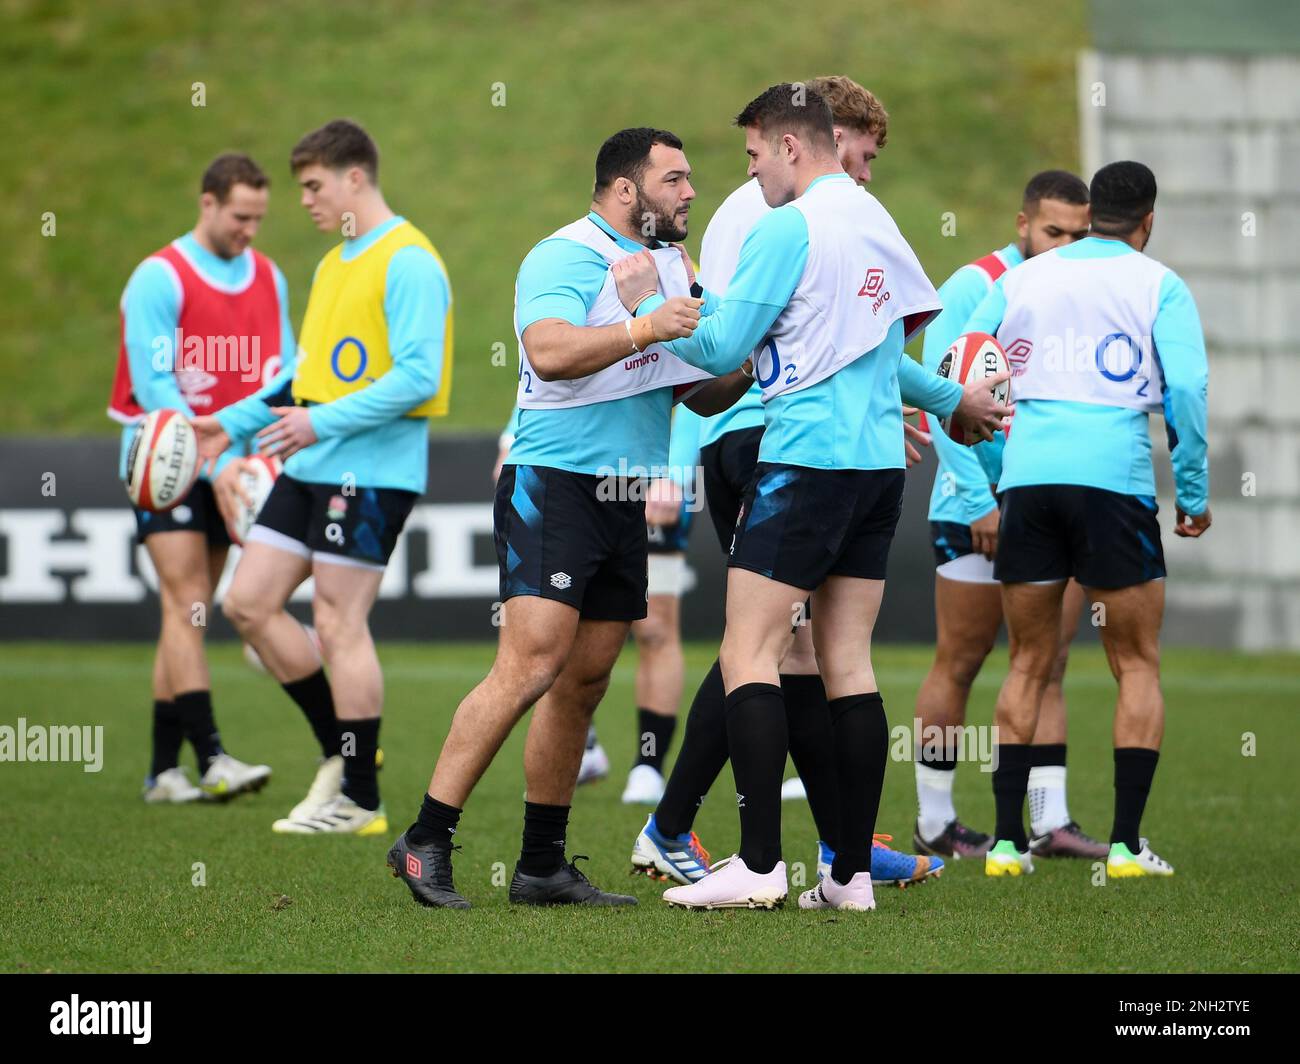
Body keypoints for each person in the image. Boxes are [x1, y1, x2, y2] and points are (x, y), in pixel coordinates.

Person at [617, 84, 1008, 911]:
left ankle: (758, 866)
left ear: (790, 145)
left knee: (749, 652)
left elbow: (721, 348)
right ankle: (848, 878)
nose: (750, 169)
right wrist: (954, 401)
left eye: (754, 152)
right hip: (876, 468)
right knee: (847, 662)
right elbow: (880, 354)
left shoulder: (785, 226)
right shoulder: (877, 222)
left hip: (803, 462)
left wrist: (644, 305)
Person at [386, 127, 749, 909]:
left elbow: (693, 386)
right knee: (531, 664)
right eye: (676, 179)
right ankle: (425, 839)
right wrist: (643, 324)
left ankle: (542, 866)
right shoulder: (563, 254)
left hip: (624, 492)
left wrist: (747, 367)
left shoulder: (672, 268)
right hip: (555, 482)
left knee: (583, 682)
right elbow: (549, 351)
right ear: (628, 189)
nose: (691, 193)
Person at [193, 119, 454, 835]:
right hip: (311, 464)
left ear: (354, 179)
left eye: (313, 186)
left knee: (340, 622)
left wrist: (322, 421)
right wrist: (231, 423)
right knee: (248, 603)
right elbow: (301, 377)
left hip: (370, 472)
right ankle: (339, 753)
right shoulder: (336, 261)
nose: (303, 201)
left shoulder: (410, 260)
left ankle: (361, 799)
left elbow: (419, 376)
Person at [968, 161, 1210, 879]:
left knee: (1027, 662)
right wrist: (1192, 493)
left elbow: (968, 368)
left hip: (1032, 482)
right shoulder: (1159, 282)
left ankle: (1008, 845)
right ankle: (1128, 847)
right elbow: (1189, 390)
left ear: (1089, 210)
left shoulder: (1020, 277)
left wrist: (995, 476)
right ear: (1147, 219)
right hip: (1114, 482)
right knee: (1134, 663)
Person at [911, 170, 1106, 861]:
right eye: (1054, 232)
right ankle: (934, 819)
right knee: (960, 659)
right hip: (978, 508)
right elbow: (943, 395)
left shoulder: (1083, 293)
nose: (1066, 245)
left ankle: (1049, 821)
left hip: (1049, 499)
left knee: (1048, 660)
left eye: (1080, 234)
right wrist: (977, 500)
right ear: (1024, 225)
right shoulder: (975, 285)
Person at [110, 152, 285, 804]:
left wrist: (248, 458)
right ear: (207, 202)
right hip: (165, 462)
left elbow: (280, 369)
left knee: (189, 611)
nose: (250, 230)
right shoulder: (159, 277)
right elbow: (157, 388)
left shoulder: (266, 275)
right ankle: (211, 758)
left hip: (232, 463)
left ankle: (163, 773)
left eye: (259, 218)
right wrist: (210, 463)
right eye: (241, 216)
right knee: (183, 601)